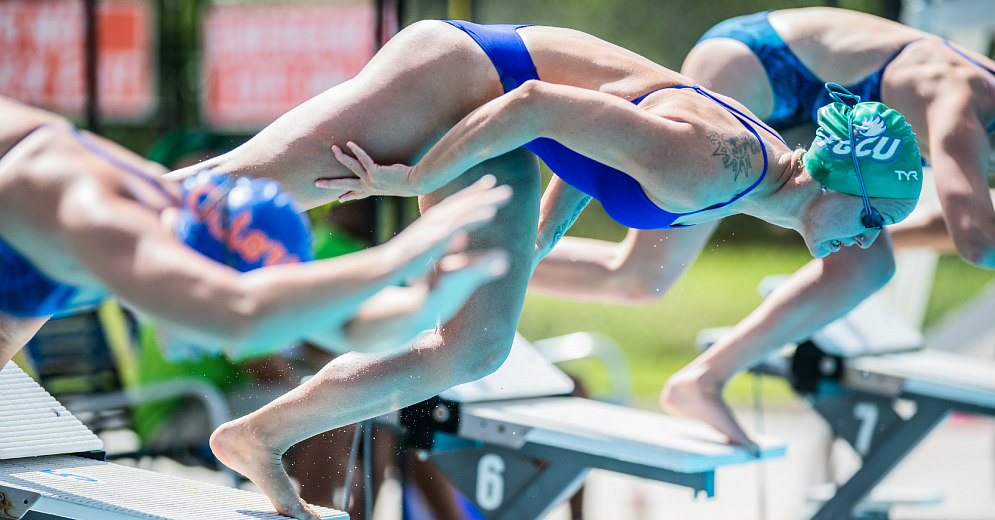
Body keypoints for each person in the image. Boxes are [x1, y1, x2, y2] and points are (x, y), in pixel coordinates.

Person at [165, 19, 923, 519]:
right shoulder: (709, 168)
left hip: (498, 133)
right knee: (221, 197)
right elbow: (534, 102)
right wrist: (412, 176)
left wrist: (536, 241)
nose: (867, 240)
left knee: (475, 347)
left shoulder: (749, 179)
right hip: (461, 75)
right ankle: (60, 225)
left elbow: (591, 149)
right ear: (836, 176)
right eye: (870, 216)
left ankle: (258, 436)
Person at [525, 7, 993, 452]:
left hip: (801, 113)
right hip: (754, 69)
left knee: (869, 264)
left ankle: (702, 381)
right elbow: (976, 240)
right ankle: (475, 259)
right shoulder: (959, 102)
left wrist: (854, 234)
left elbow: (950, 227)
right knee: (639, 275)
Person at [0, 95, 512, 374]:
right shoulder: (98, 217)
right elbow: (243, 313)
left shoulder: (178, 225)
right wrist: (399, 255)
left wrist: (427, 299)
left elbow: (349, 328)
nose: (219, 348)